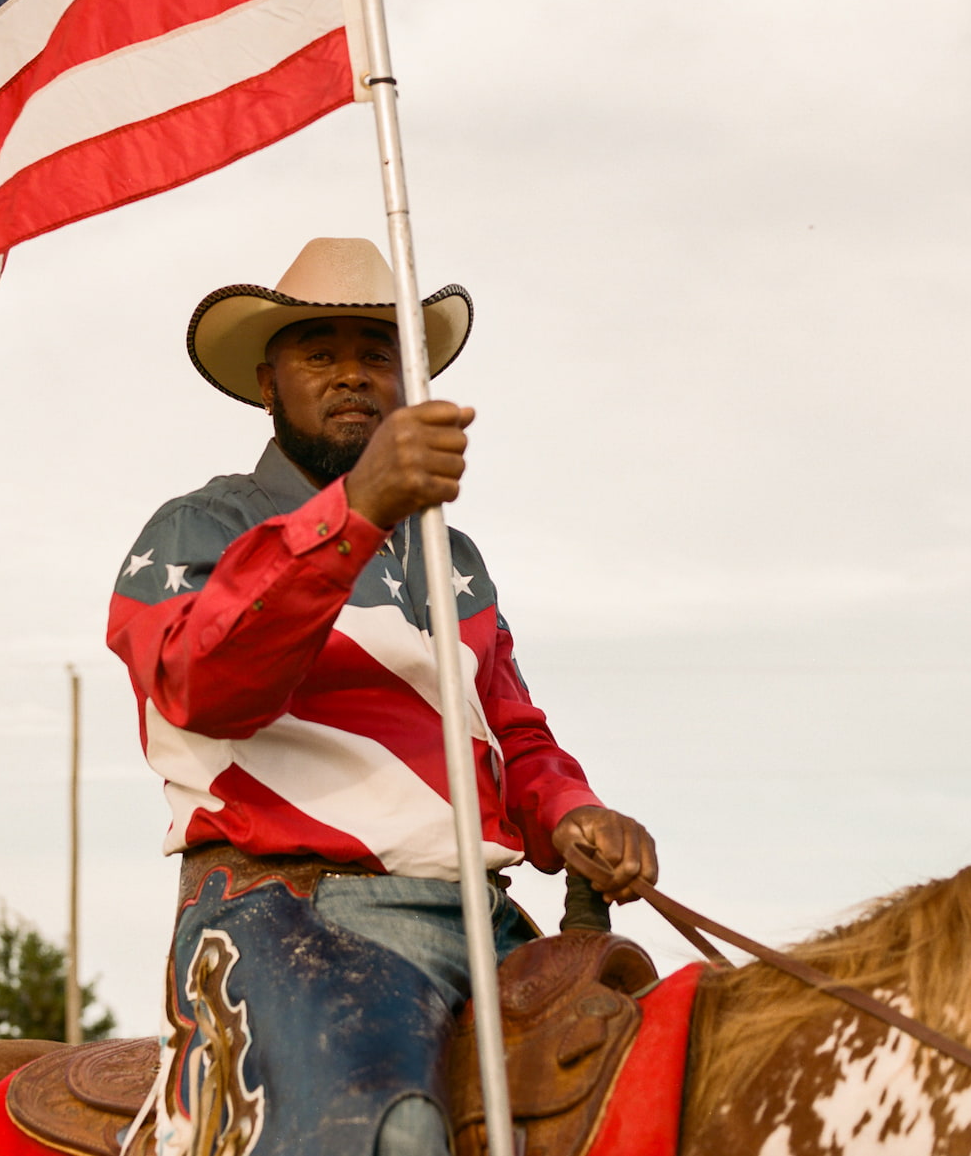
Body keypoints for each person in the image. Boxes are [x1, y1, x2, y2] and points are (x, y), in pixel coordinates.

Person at [106, 238, 656, 1156]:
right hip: (293, 912)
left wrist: (572, 811)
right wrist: (357, 508)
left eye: (377, 352)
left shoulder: (453, 557)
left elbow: (509, 732)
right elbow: (202, 685)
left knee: (668, 1084)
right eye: (320, 353)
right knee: (392, 1136)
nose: (353, 374)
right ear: (268, 382)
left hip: (484, 914)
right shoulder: (202, 526)